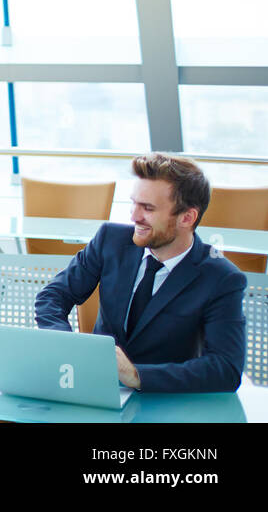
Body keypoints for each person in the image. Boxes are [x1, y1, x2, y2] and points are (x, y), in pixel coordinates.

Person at [35, 153, 246, 393]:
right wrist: (68, 345)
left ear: (187, 217)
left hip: (166, 403)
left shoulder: (222, 279)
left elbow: (225, 368)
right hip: (97, 390)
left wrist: (136, 375)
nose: (134, 216)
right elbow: (52, 296)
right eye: (134, 203)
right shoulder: (110, 240)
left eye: (148, 208)